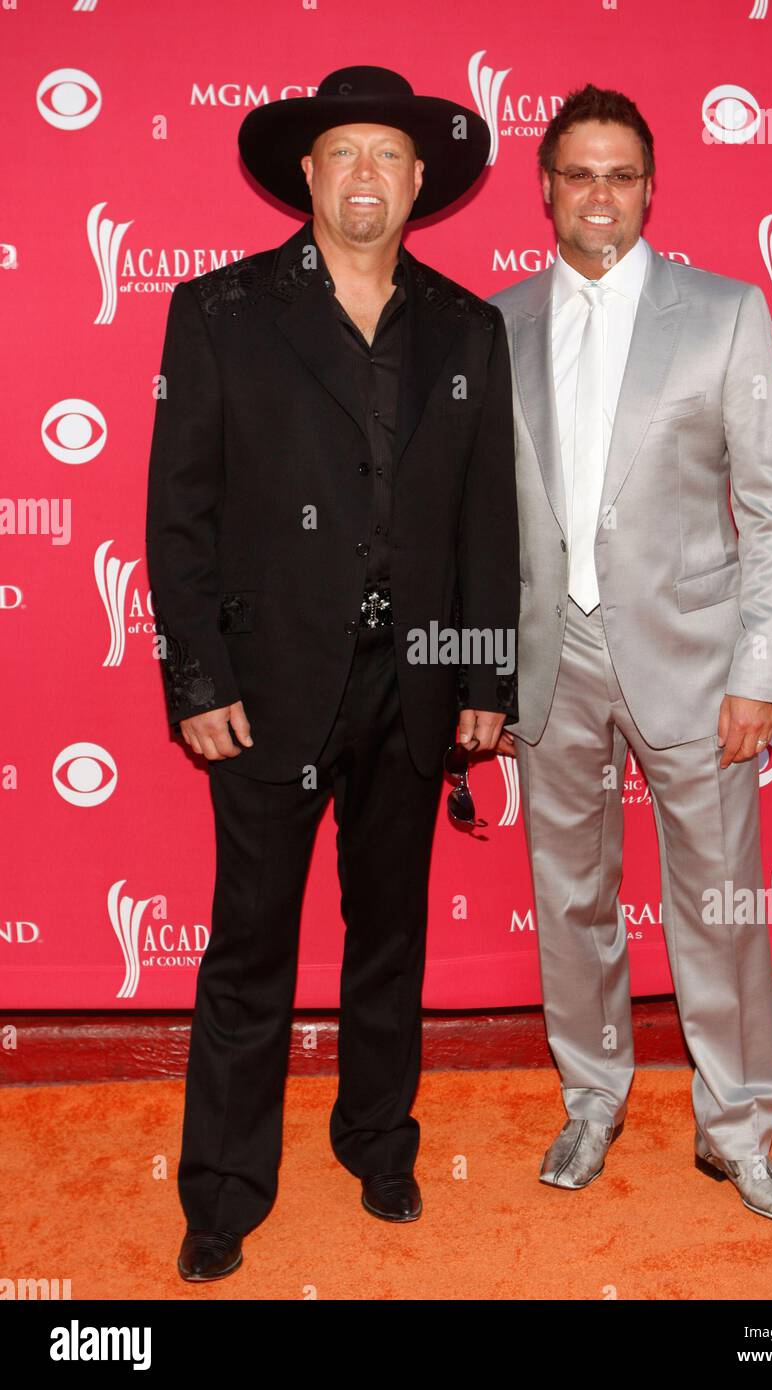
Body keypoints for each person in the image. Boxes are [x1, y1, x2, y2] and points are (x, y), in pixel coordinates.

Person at [145, 64, 519, 1282]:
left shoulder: (468, 327)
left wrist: (482, 679)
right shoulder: (220, 314)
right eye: (344, 154)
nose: (366, 175)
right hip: (266, 687)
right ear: (308, 175)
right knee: (249, 943)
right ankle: (223, 1188)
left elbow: (484, 525)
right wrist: (197, 681)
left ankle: (378, 1138)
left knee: (389, 935)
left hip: (411, 686)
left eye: (390, 157)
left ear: (422, 183)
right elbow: (178, 515)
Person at [490, 83, 772, 1222]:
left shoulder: (723, 311)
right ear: (545, 187)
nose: (599, 195)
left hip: (695, 658)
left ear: (649, 186)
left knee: (721, 904)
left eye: (620, 175)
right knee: (570, 896)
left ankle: (737, 1130)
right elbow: (472, 521)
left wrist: (759, 673)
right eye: (578, 173)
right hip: (552, 657)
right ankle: (591, 1099)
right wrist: (483, 669)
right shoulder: (495, 323)